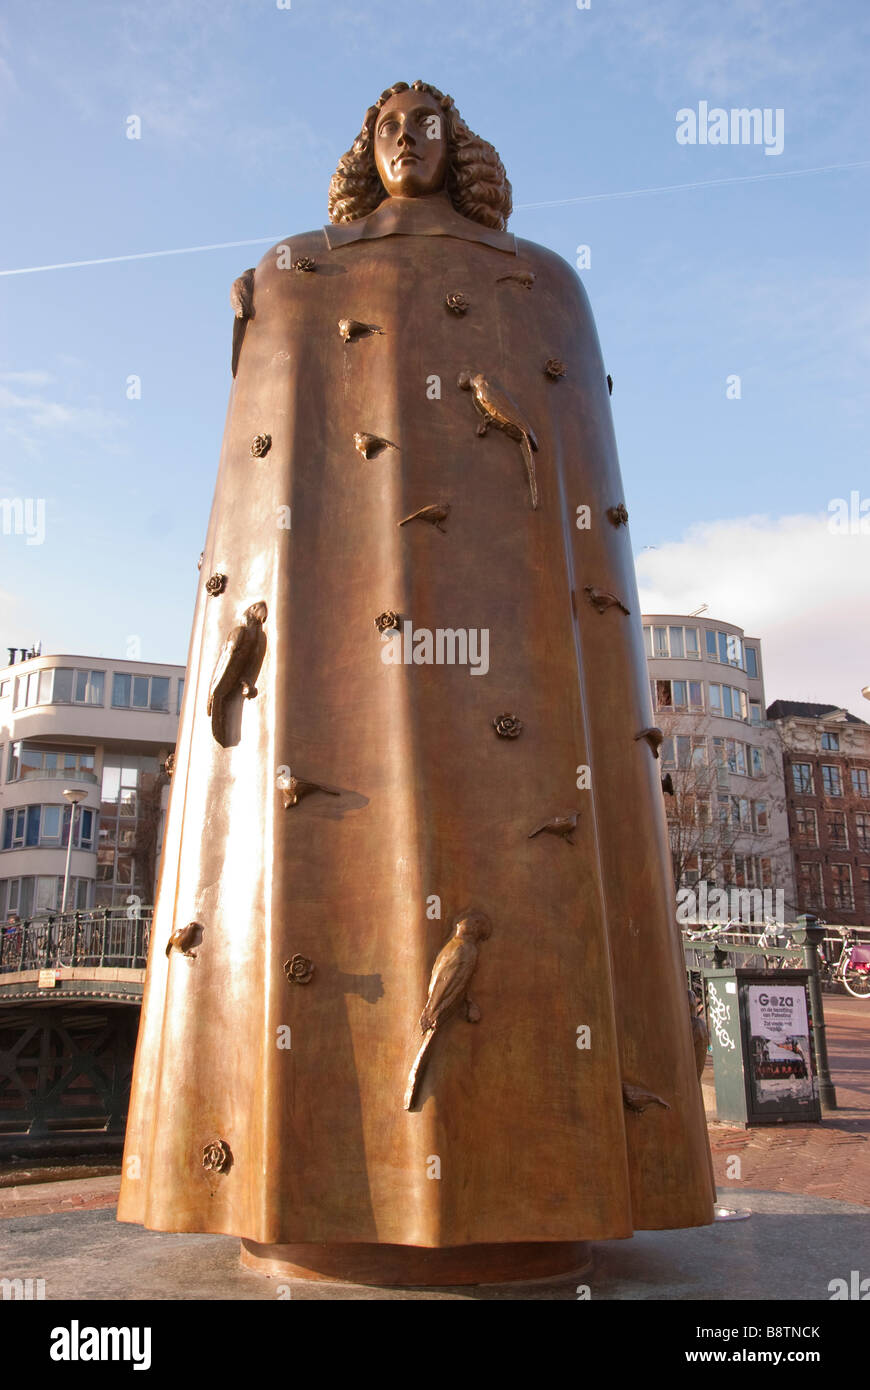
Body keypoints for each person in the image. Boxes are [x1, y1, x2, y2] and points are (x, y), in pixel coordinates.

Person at [119, 81, 713, 1282]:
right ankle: (305, 1180)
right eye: (389, 127)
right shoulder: (298, 269)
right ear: (365, 149)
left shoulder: (540, 281)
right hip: (326, 659)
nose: (408, 143)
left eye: (428, 126)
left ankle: (533, 1184)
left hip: (517, 665)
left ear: (462, 149)